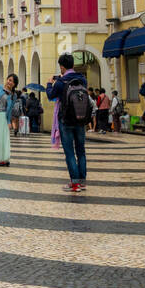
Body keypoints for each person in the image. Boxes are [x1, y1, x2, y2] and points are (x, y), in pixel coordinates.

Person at [48, 54, 90, 192]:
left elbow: (51, 96)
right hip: (80, 118)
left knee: (70, 152)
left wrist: (49, 84)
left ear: (62, 66)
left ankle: (75, 183)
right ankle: (82, 181)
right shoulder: (82, 79)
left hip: (65, 120)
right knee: (81, 151)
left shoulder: (61, 82)